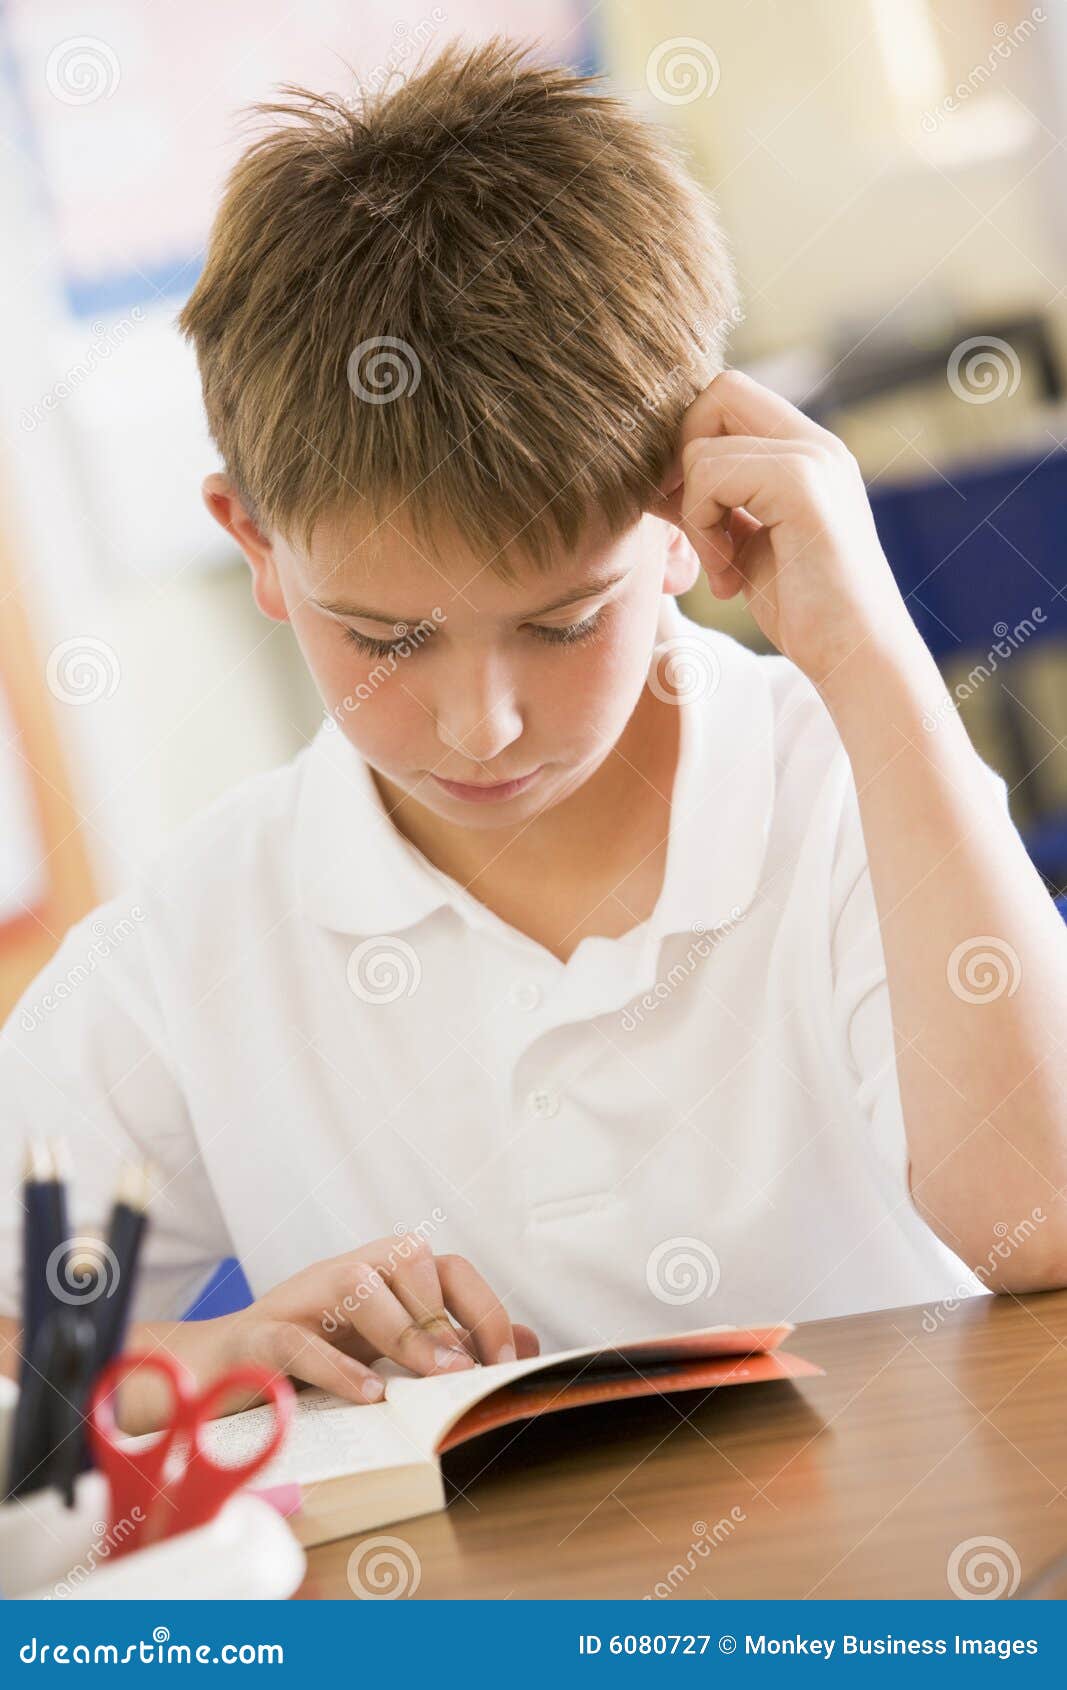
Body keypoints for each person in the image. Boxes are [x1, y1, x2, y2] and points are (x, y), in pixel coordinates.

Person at [2, 39, 1065, 1427]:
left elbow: (1039, 1224)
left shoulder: (844, 785)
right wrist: (190, 1368)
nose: (480, 719)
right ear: (254, 545)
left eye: (563, 623)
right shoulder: (203, 940)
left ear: (693, 519)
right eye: (387, 637)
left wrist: (873, 659)